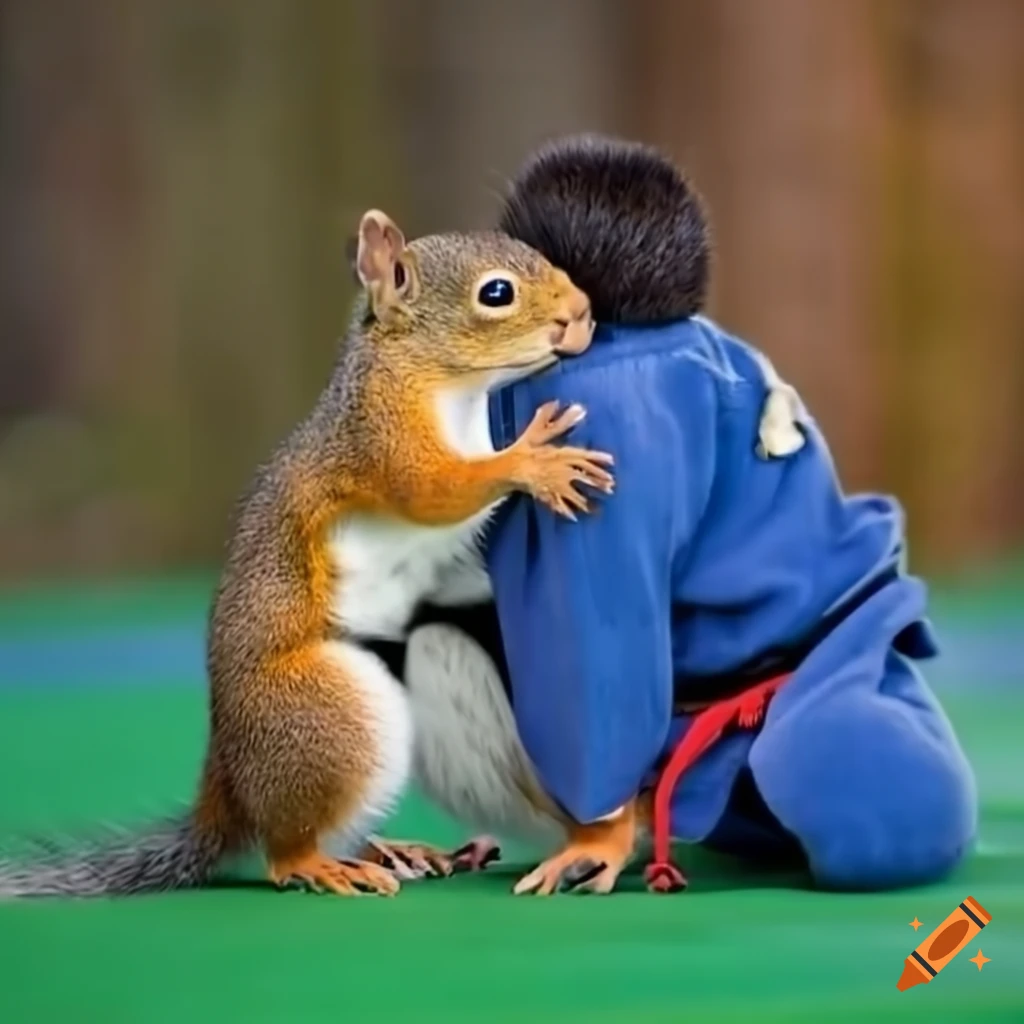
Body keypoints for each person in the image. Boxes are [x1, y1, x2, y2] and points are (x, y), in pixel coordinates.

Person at [401, 134, 977, 894]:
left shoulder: (607, 395)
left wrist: (600, 795)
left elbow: (605, 611)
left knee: (864, 794)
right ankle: (617, 790)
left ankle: (630, 791)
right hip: (671, 688)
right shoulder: (604, 368)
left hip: (776, 674)